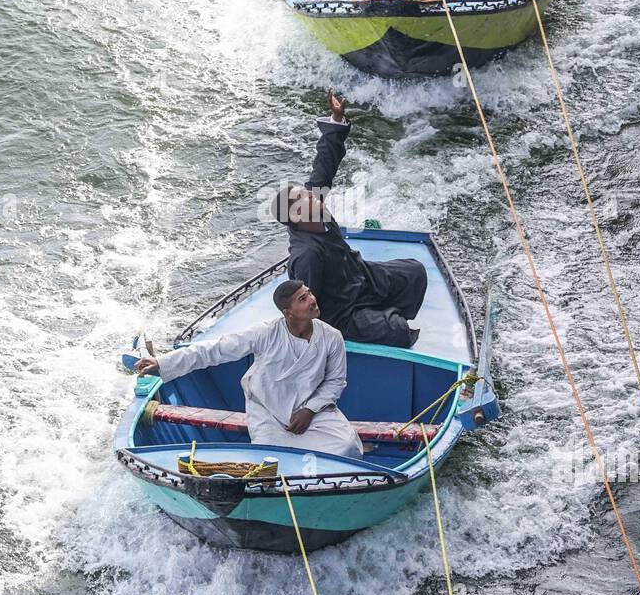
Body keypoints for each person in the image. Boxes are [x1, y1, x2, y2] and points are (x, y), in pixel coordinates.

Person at [132, 280, 363, 460]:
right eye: (303, 299)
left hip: (312, 409)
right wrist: (163, 363)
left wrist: (309, 411)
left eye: (309, 293)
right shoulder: (266, 333)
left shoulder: (332, 337)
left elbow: (335, 381)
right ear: (287, 312)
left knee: (347, 447)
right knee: (273, 460)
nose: (312, 300)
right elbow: (215, 349)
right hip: (268, 412)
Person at [271, 90, 428, 349]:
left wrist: (336, 120)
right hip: (340, 309)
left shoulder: (315, 206)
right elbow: (305, 303)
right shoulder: (306, 255)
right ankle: (378, 319)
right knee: (397, 330)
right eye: (305, 198)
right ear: (297, 215)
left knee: (414, 273)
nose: (311, 194)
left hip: (361, 276)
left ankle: (379, 308)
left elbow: (324, 164)